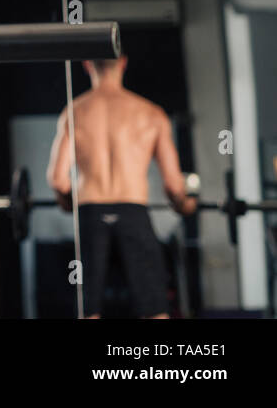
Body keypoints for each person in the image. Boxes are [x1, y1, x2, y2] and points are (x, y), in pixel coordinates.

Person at [46, 55, 197, 318]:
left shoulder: (74, 111)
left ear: (88, 65)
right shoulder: (150, 113)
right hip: (133, 212)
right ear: (124, 63)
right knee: (154, 309)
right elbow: (173, 185)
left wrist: (68, 204)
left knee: (87, 308)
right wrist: (186, 205)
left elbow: (58, 180)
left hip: (90, 214)